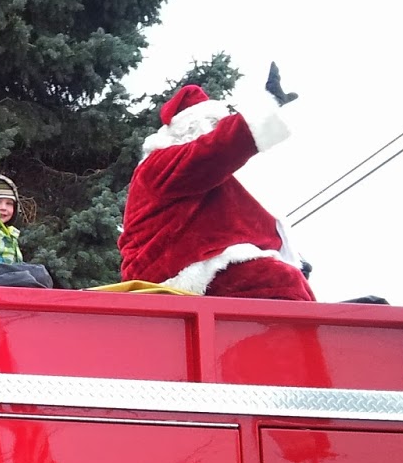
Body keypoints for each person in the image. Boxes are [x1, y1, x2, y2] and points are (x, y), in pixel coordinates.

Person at [120, 64, 314, 300]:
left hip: (201, 264)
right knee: (279, 282)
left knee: (289, 279)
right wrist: (265, 106)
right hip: (170, 272)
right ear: (189, 128)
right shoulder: (160, 165)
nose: (215, 131)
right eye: (213, 125)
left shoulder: (211, 183)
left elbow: (248, 225)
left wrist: (294, 258)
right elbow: (213, 150)